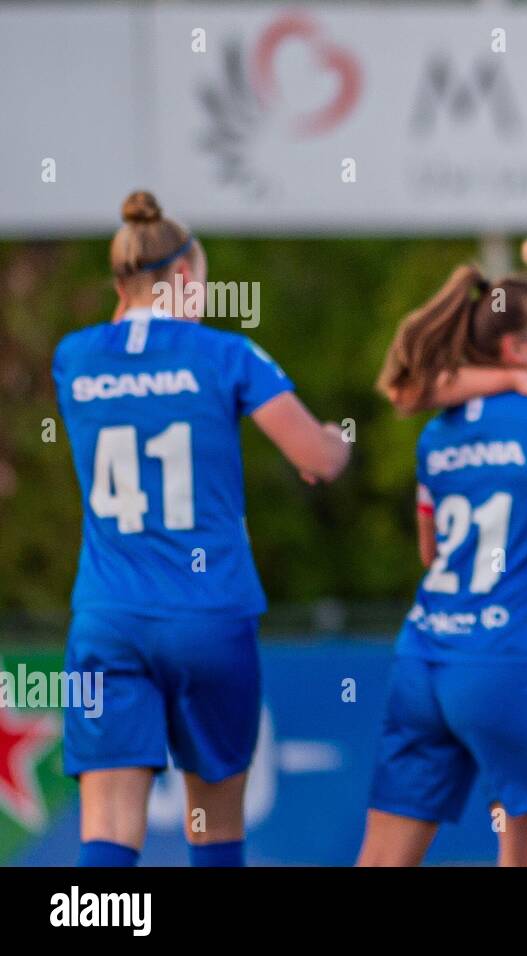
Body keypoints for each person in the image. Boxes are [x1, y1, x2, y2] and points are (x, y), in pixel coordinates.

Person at [52, 190, 351, 867]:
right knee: (214, 828)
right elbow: (317, 458)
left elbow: (126, 340)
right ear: (185, 276)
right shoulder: (224, 355)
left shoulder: (75, 358)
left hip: (109, 619)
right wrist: (334, 443)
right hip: (208, 616)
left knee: (106, 830)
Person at [357, 265, 527, 866]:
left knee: (381, 861)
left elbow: (431, 554)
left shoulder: (437, 432)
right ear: (514, 347)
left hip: (424, 654)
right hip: (508, 659)